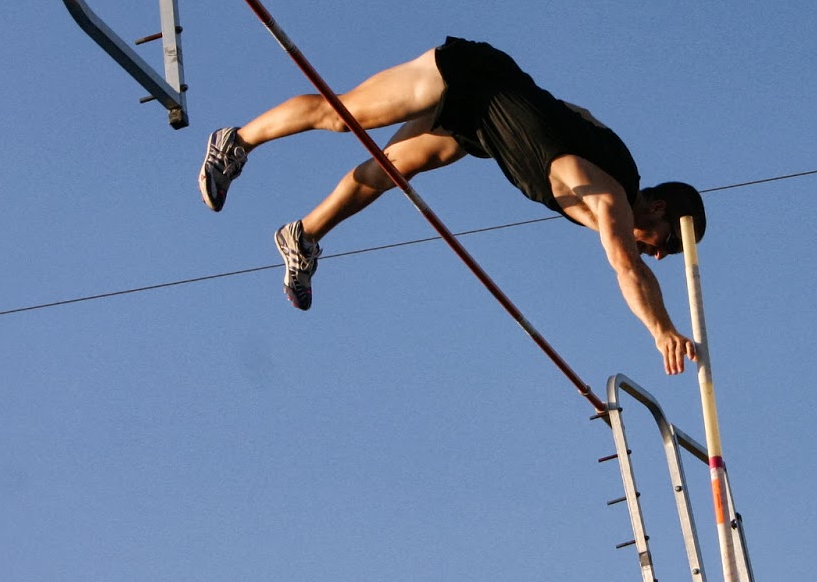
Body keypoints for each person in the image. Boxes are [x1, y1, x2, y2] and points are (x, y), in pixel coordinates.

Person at [198, 36, 706, 375]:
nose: (659, 255)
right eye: (668, 245)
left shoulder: (612, 168)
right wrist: (662, 331)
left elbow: (579, 113)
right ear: (659, 209)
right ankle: (236, 140)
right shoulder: (612, 196)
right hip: (469, 78)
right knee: (343, 115)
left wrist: (530, 117)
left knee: (388, 171)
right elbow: (624, 265)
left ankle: (303, 236)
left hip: (483, 126)